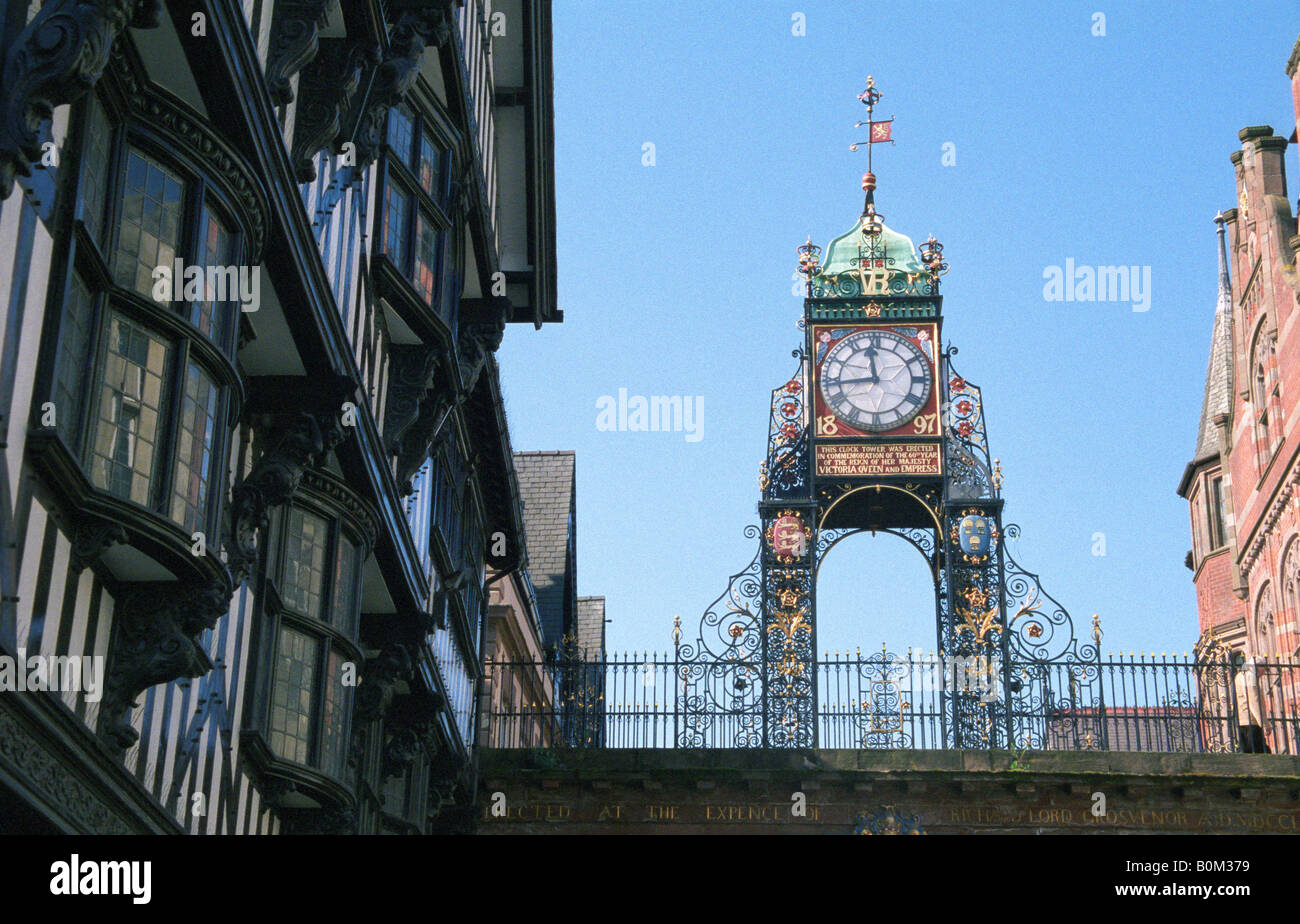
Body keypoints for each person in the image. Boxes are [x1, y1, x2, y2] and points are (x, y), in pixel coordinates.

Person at [1232, 653, 1270, 753]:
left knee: (1248, 751)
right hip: (1251, 720)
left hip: (1243, 719)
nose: (1264, 673)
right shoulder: (1250, 675)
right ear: (1258, 666)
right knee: (1259, 752)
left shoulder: (1240, 675)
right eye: (1264, 669)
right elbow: (1253, 700)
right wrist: (1263, 724)